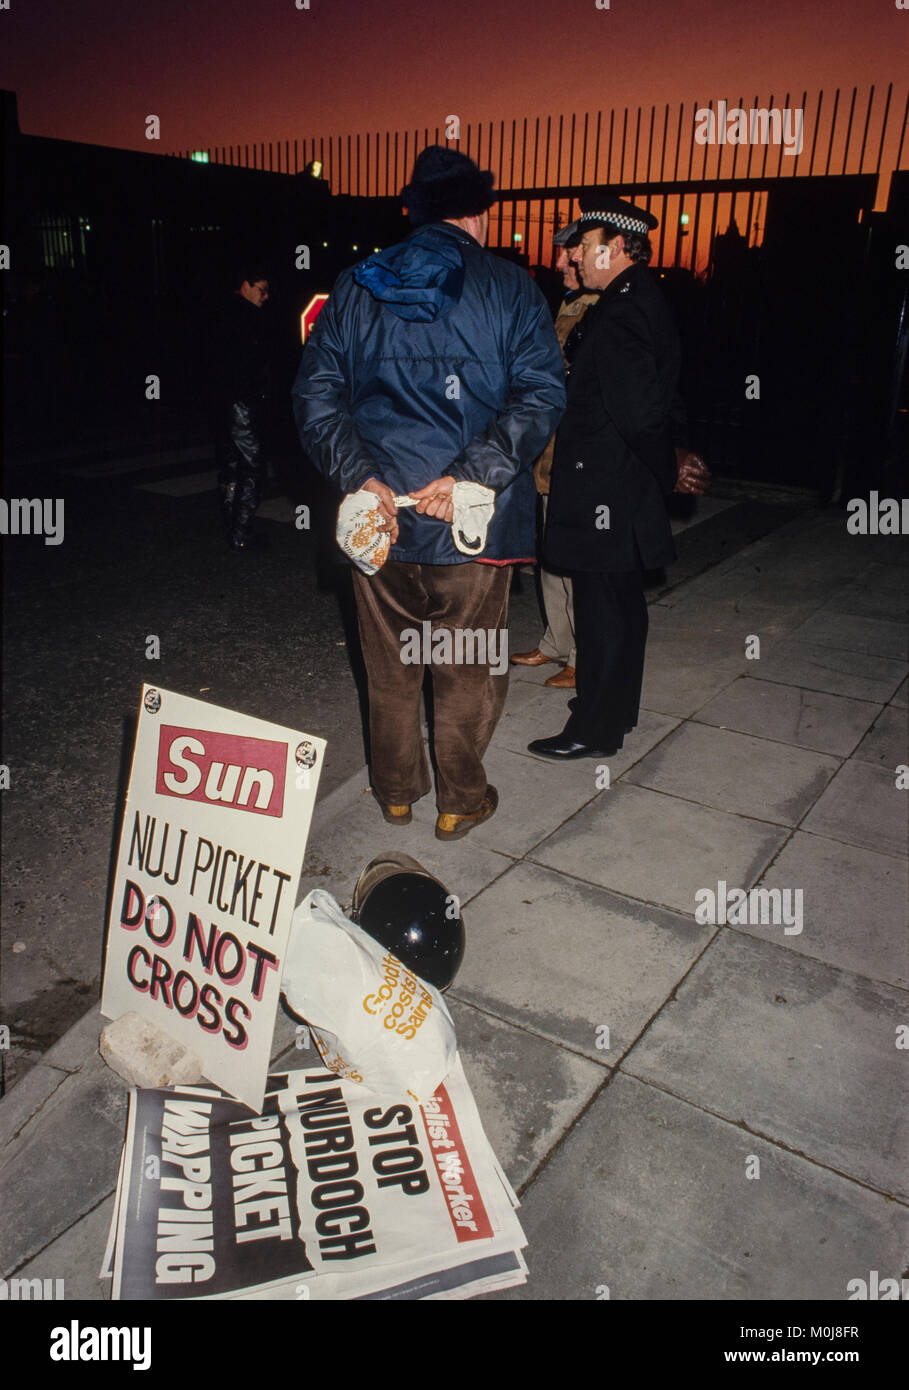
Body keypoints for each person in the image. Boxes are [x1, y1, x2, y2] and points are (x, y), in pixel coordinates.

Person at [293, 146, 565, 838]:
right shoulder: (510, 286)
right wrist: (474, 471)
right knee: (466, 668)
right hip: (469, 525)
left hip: (380, 521)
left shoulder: (356, 284)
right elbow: (541, 392)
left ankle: (395, 793)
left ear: (413, 212)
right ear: (479, 211)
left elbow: (316, 392)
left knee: (387, 665)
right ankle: (459, 800)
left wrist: (360, 476)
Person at [528, 193, 681, 761]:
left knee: (601, 614)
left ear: (616, 246)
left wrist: (667, 468)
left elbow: (638, 411)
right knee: (620, 606)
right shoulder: (635, 297)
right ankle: (616, 708)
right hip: (618, 483)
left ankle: (594, 729)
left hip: (605, 488)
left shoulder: (621, 310)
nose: (576, 256)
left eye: (585, 246)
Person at [511, 220, 598, 689]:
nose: (560, 264)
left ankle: (583, 656)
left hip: (576, 454)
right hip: (549, 450)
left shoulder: (602, 310)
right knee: (551, 552)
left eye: (567, 255)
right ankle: (556, 642)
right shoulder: (567, 303)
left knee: (577, 558)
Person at [216, 270, 271, 550]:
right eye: (261, 290)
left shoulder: (220, 313)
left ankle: (231, 524)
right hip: (241, 401)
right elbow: (255, 365)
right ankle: (241, 531)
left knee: (231, 465)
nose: (265, 296)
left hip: (223, 400)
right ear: (245, 285)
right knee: (252, 465)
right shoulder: (250, 318)